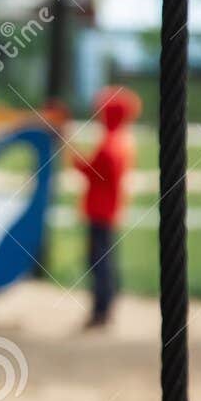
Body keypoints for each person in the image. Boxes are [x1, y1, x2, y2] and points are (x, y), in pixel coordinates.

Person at [67, 86, 141, 329]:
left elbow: (90, 171)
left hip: (100, 210)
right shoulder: (123, 141)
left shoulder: (110, 144)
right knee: (105, 260)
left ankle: (101, 310)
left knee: (99, 261)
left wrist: (68, 147)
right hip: (108, 209)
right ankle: (105, 308)